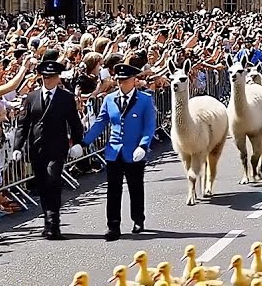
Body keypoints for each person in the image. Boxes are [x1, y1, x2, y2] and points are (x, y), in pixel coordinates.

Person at [84, 63, 156, 241]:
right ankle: (113, 225)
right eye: (119, 80)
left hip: (134, 151)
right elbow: (101, 123)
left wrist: (143, 145)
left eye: (125, 80)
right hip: (114, 151)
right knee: (113, 190)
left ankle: (138, 219)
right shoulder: (110, 99)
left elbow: (148, 126)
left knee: (135, 187)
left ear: (134, 80)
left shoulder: (145, 100)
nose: (121, 83)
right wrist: (84, 141)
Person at [14, 60, 84, 240]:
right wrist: (17, 146)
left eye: (51, 77)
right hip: (37, 148)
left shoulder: (66, 97)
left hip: (57, 147)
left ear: (57, 78)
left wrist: (78, 142)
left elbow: (74, 123)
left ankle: (54, 223)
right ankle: (48, 220)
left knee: (53, 181)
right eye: (45, 77)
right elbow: (23, 125)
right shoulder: (31, 98)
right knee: (42, 185)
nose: (47, 80)